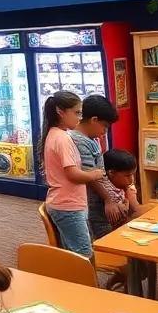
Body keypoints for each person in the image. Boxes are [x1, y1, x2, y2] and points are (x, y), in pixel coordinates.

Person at [41, 91, 104, 257]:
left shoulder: (56, 135)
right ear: (61, 113)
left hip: (68, 203)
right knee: (83, 256)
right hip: (68, 205)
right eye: (77, 113)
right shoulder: (62, 138)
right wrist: (96, 174)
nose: (80, 117)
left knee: (73, 254)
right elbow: (73, 174)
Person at [69, 95, 123, 241]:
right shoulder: (79, 141)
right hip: (92, 201)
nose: (105, 132)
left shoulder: (90, 138)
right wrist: (108, 200)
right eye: (105, 126)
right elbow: (89, 176)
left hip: (99, 198)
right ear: (94, 120)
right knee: (103, 238)